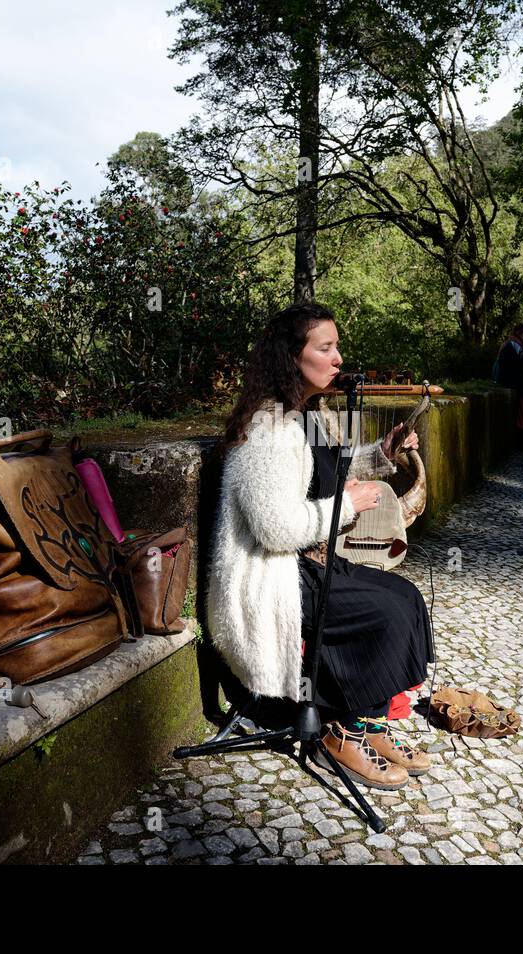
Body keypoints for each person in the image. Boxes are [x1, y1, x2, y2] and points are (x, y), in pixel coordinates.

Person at [207, 302, 434, 790]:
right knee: (382, 612)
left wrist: (382, 453)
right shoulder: (267, 430)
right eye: (325, 348)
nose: (338, 359)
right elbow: (274, 529)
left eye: (336, 347)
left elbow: (330, 472)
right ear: (293, 357)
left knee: (405, 598)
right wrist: (345, 508)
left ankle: (369, 721)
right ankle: (341, 730)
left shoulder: (308, 415)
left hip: (303, 564)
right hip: (270, 578)